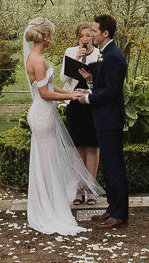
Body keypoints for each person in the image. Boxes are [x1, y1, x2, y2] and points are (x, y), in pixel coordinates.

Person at [24, 17, 103, 234]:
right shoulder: (37, 60)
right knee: (46, 159)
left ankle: (49, 202)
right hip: (42, 113)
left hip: (44, 112)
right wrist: (71, 95)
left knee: (48, 159)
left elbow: (51, 85)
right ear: (45, 36)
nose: (52, 39)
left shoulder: (37, 56)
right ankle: (47, 207)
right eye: (51, 35)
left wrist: (71, 92)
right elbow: (44, 93)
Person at [74, 13, 129, 229]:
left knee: (115, 167)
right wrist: (88, 86)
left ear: (105, 33)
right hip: (104, 119)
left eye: (95, 31)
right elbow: (104, 84)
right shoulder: (106, 54)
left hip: (110, 119)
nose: (91, 35)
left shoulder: (114, 55)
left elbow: (113, 91)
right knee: (109, 167)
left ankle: (120, 214)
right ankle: (112, 209)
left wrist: (87, 98)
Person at [61, 22, 101, 206]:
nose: (85, 39)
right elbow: (63, 79)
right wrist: (75, 61)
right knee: (78, 147)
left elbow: (100, 85)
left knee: (92, 146)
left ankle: (90, 188)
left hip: (91, 104)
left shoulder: (99, 55)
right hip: (74, 102)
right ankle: (78, 188)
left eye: (88, 35)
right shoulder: (70, 52)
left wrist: (90, 81)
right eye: (81, 36)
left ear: (93, 37)